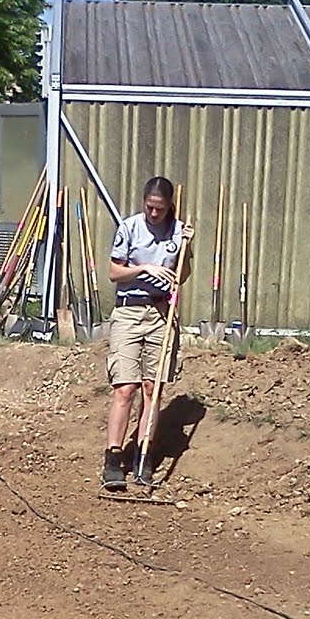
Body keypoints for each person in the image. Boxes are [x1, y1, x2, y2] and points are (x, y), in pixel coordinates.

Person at [102, 176, 193, 490]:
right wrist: (143, 268)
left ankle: (145, 456)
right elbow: (114, 272)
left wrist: (186, 248)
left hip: (161, 314)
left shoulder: (178, 231)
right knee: (125, 388)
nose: (154, 213)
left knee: (152, 389)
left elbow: (181, 276)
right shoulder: (129, 228)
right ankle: (113, 458)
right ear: (144, 202)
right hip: (129, 311)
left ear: (169, 206)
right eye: (150, 207)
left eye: (160, 209)